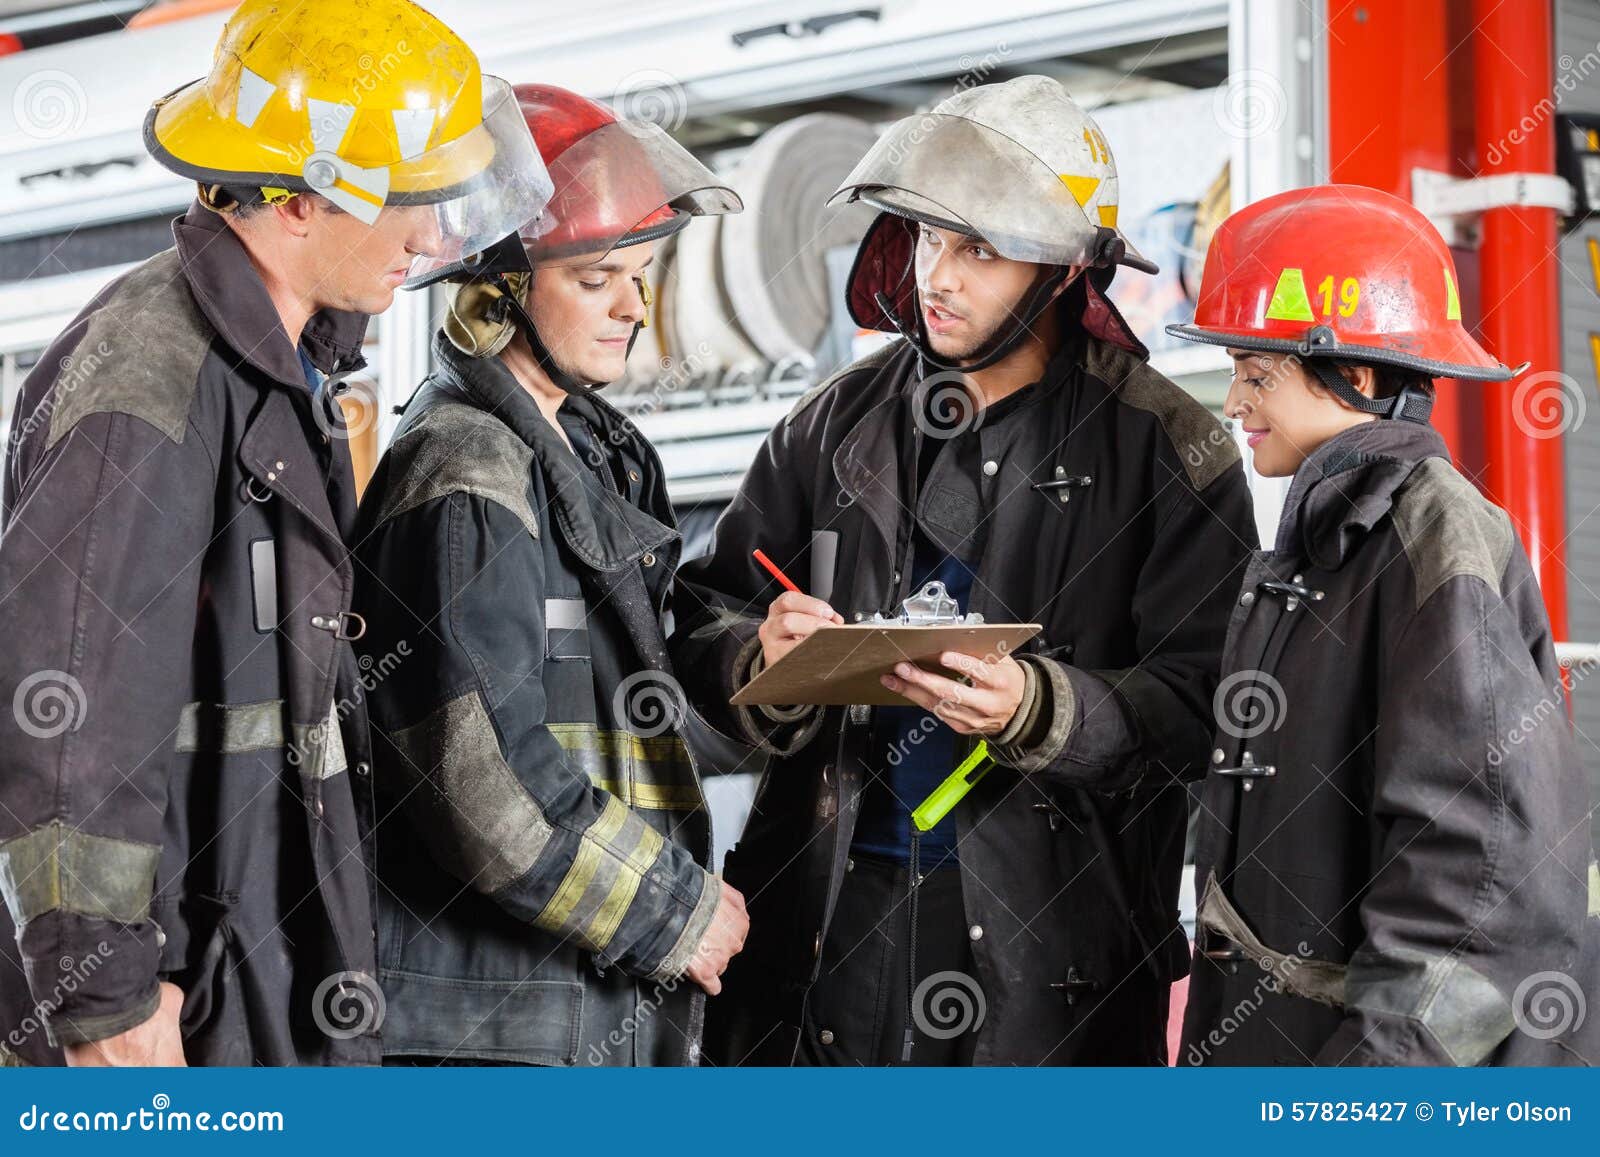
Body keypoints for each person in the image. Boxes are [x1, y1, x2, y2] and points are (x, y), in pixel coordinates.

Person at [0, 0, 546, 1066]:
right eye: (410, 201)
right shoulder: (148, 377)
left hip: (254, 972)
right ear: (300, 202)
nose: (435, 237)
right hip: (169, 1008)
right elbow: (69, 713)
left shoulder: (280, 370)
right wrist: (103, 1000)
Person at [669, 75, 1256, 1065]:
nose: (937, 274)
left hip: (1053, 958)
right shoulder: (833, 422)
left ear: (1068, 271)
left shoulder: (1168, 448)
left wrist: (1041, 704)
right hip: (824, 926)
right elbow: (701, 613)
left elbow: (1210, 700)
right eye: (930, 239)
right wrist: (755, 653)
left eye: (979, 249)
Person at [351, 85, 747, 1066]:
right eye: (599, 277)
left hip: (574, 1013)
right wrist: (674, 912)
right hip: (490, 1037)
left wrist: (764, 660)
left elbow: (631, 711)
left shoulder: (583, 451)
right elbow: (480, 780)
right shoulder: (465, 467)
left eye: (641, 273)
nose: (634, 305)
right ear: (499, 288)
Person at [1170, 183, 1600, 1066]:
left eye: (1257, 373)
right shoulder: (1327, 537)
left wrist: (1377, 1085)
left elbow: (1487, 878)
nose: (1234, 403)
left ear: (1354, 376)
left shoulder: (1431, 536)